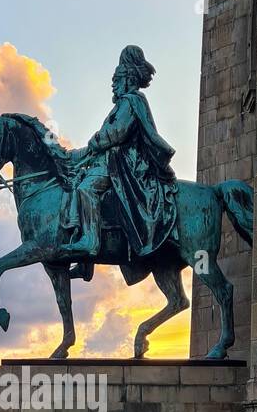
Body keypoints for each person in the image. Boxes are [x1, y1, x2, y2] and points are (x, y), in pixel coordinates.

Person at [60, 45, 178, 271]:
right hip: (112, 160)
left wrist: (93, 145)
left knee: (87, 189)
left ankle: (90, 242)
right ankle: (86, 261)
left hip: (125, 164)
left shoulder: (131, 101)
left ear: (127, 80)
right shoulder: (126, 102)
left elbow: (116, 133)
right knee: (76, 182)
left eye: (116, 80)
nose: (113, 85)